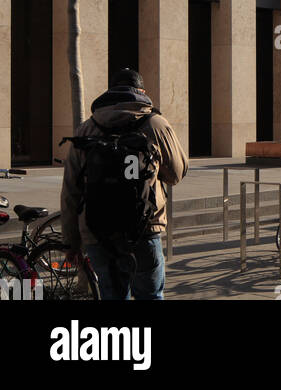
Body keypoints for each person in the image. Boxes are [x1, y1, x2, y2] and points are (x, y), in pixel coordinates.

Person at [60, 68, 188, 301]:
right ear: (141, 91)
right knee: (150, 295)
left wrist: (71, 242)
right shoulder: (156, 124)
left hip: (97, 231)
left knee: (111, 295)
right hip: (143, 228)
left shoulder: (87, 128)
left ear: (110, 91)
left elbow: (71, 190)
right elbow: (177, 173)